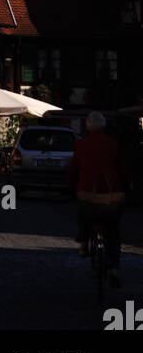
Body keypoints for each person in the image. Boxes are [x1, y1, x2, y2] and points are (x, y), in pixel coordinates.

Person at [69, 111, 130, 286]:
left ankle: (83, 241)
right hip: (111, 196)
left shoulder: (81, 144)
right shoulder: (112, 144)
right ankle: (114, 268)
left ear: (88, 126)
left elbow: (73, 169)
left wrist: (72, 187)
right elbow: (122, 169)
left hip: (87, 194)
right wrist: (126, 187)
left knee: (83, 212)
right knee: (113, 230)